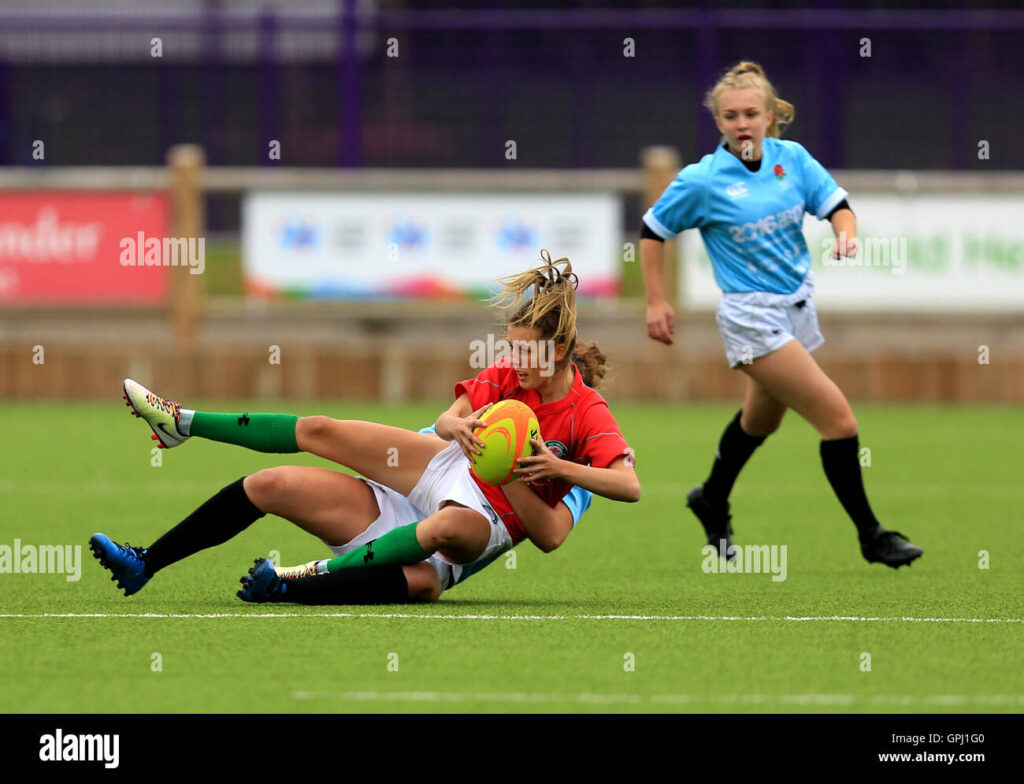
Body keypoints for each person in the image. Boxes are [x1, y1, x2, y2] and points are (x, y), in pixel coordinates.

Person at [90, 251, 639, 603]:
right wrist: (457, 427)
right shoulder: (505, 376)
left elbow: (581, 516)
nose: (512, 362)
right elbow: (451, 419)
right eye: (510, 349)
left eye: (525, 353)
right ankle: (175, 450)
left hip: (476, 521)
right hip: (431, 474)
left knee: (440, 548)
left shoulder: (588, 419)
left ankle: (302, 577)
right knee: (287, 466)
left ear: (561, 349)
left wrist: (542, 466)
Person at [639, 61, 922, 568]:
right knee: (839, 421)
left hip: (797, 307)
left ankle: (711, 497)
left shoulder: (792, 159)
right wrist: (657, 300)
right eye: (731, 116)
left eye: (751, 113)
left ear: (770, 116)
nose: (742, 123)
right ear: (719, 122)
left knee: (760, 421)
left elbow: (837, 204)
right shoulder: (703, 180)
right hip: (750, 317)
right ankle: (872, 536)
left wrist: (846, 232)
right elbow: (653, 230)